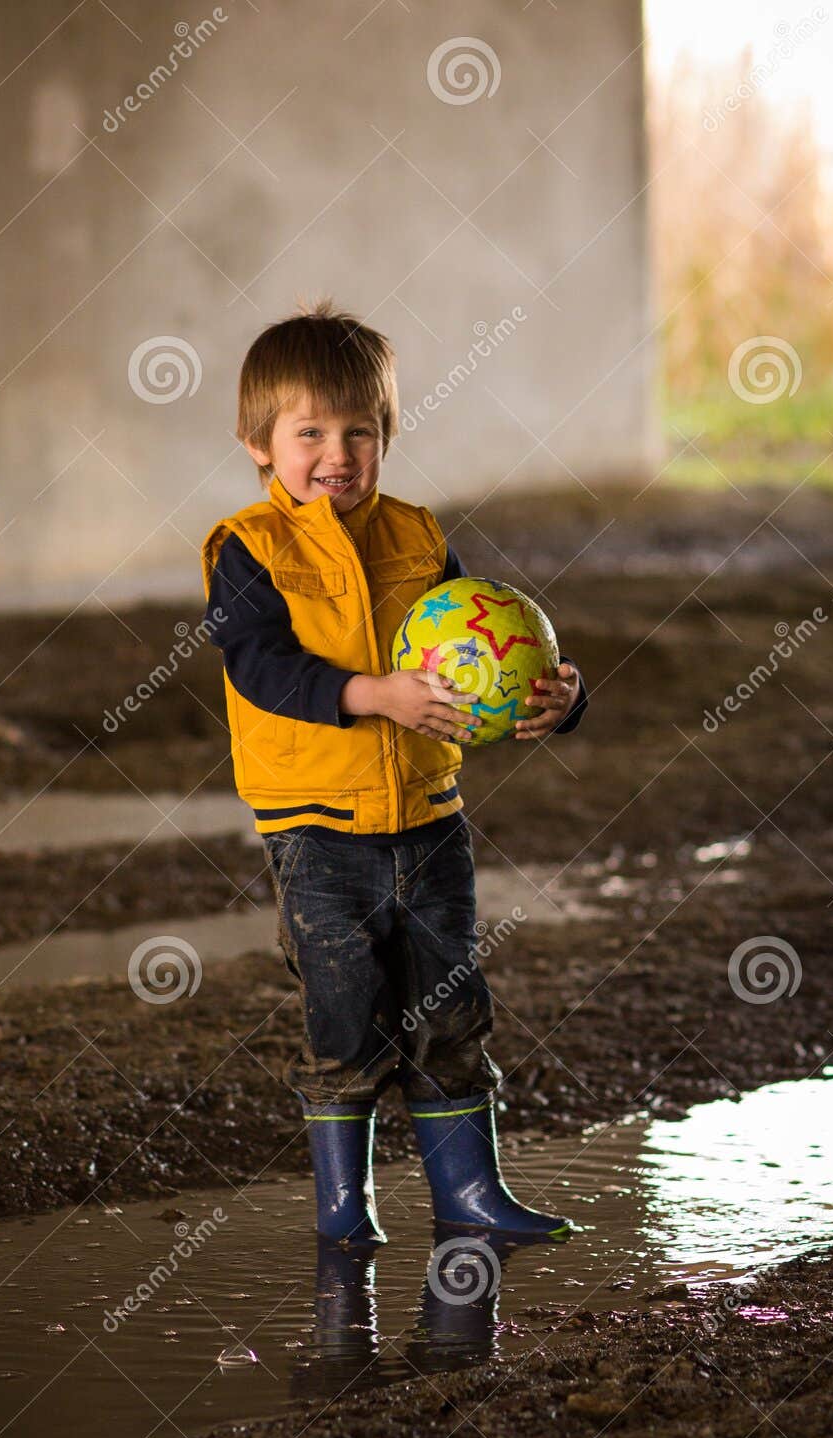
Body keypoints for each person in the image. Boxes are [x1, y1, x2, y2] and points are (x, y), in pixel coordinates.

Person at [200, 300, 588, 1248]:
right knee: (343, 1018)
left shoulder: (416, 534)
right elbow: (259, 667)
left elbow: (485, 651)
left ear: (386, 434)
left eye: (359, 432)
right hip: (315, 831)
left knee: (449, 1006)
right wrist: (372, 694)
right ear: (257, 443)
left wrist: (556, 697)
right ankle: (345, 1211)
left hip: (427, 818)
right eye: (309, 433)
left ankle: (470, 1194)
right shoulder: (248, 547)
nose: (336, 454)